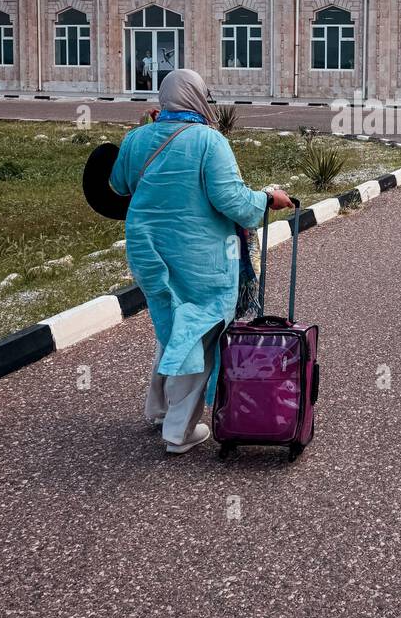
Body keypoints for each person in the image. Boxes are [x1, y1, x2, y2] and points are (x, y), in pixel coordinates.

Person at [109, 68, 293, 454]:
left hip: (148, 252)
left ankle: (158, 409)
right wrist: (268, 199)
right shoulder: (210, 142)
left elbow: (119, 186)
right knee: (200, 334)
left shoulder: (137, 138)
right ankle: (177, 433)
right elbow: (235, 204)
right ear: (198, 98)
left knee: (172, 324)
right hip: (201, 259)